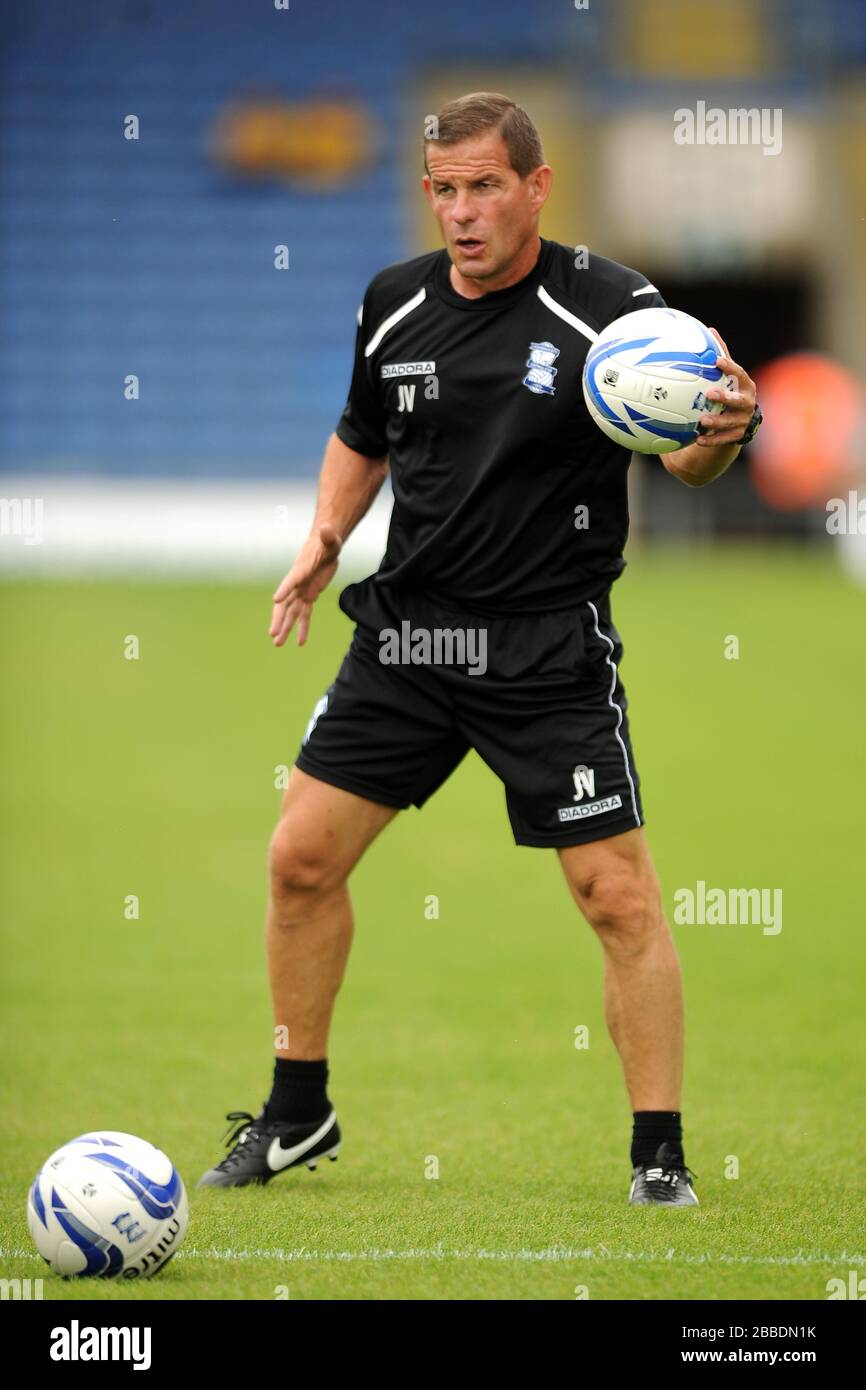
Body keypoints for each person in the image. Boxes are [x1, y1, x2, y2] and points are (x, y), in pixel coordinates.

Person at [198, 92, 760, 1204]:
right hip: (407, 638)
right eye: (444, 191)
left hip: (546, 651)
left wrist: (715, 442)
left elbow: (684, 457)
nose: (462, 213)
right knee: (298, 858)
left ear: (536, 187)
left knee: (617, 897)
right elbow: (362, 434)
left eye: (484, 188)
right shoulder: (392, 303)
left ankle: (658, 1155)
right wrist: (322, 538)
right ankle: (295, 1112)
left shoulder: (616, 312)